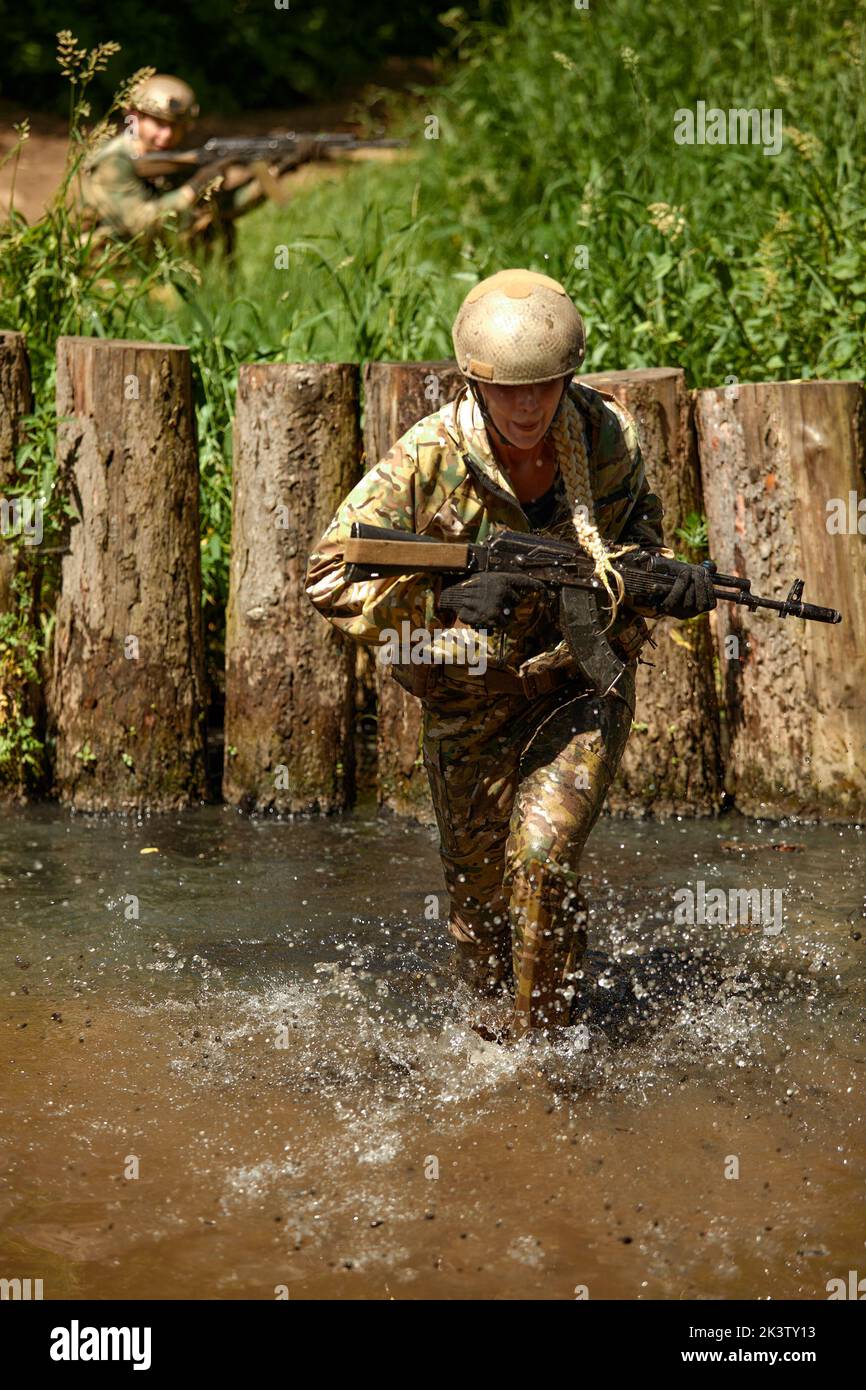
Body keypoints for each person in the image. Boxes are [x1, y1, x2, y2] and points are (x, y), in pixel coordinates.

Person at [305, 268, 716, 1041]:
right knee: (480, 907)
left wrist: (668, 584)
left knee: (544, 853)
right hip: (466, 697)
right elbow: (329, 574)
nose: (528, 408)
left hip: (577, 684)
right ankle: (495, 1034)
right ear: (472, 383)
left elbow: (637, 544)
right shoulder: (429, 457)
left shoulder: (604, 437)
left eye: (546, 388)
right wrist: (441, 598)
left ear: (569, 377)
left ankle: (547, 1051)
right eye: (508, 392)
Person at [80, 74, 267, 248]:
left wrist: (266, 180)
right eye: (159, 124)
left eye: (176, 126)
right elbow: (139, 226)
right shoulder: (114, 161)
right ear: (135, 116)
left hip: (149, 259)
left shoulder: (173, 158)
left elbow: (219, 210)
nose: (167, 134)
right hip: (107, 267)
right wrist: (193, 188)